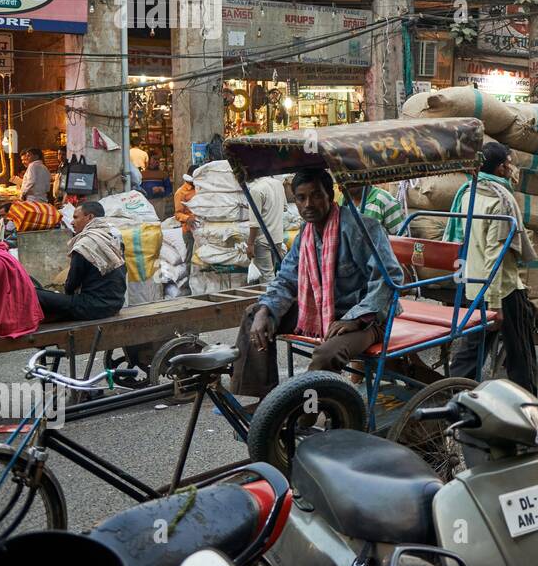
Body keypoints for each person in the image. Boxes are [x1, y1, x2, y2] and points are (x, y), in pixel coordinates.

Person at [231, 168, 405, 400]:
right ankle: (264, 402)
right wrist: (266, 310)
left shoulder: (362, 227)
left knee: (326, 356)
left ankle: (304, 414)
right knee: (255, 315)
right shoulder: (305, 233)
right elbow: (286, 279)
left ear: (329, 196)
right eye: (301, 198)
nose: (308, 204)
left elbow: (390, 278)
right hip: (323, 311)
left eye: (316, 196)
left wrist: (355, 319)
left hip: (367, 320)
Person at [444, 143, 538, 393]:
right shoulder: (500, 199)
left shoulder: (467, 193)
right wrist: (496, 304)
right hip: (502, 290)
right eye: (509, 163)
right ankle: (529, 409)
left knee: (471, 352)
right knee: (521, 356)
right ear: (500, 168)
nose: (512, 167)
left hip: (473, 286)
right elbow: (494, 256)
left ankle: (456, 399)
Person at [35, 201, 127, 322]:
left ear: (90, 217)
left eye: (75, 217)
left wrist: (59, 295)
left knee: (36, 294)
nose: (72, 222)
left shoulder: (84, 244)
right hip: (116, 303)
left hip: (93, 307)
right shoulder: (113, 236)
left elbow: (70, 286)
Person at [245, 174, 288, 281]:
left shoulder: (255, 190)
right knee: (272, 272)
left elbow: (254, 224)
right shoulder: (278, 184)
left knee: (267, 276)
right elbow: (284, 208)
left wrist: (250, 244)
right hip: (277, 238)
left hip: (262, 240)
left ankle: (273, 296)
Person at [173, 166, 198, 266]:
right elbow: (177, 214)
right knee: (191, 258)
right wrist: (187, 218)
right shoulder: (180, 193)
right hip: (189, 231)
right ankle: (189, 279)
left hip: (202, 229)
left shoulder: (200, 188)